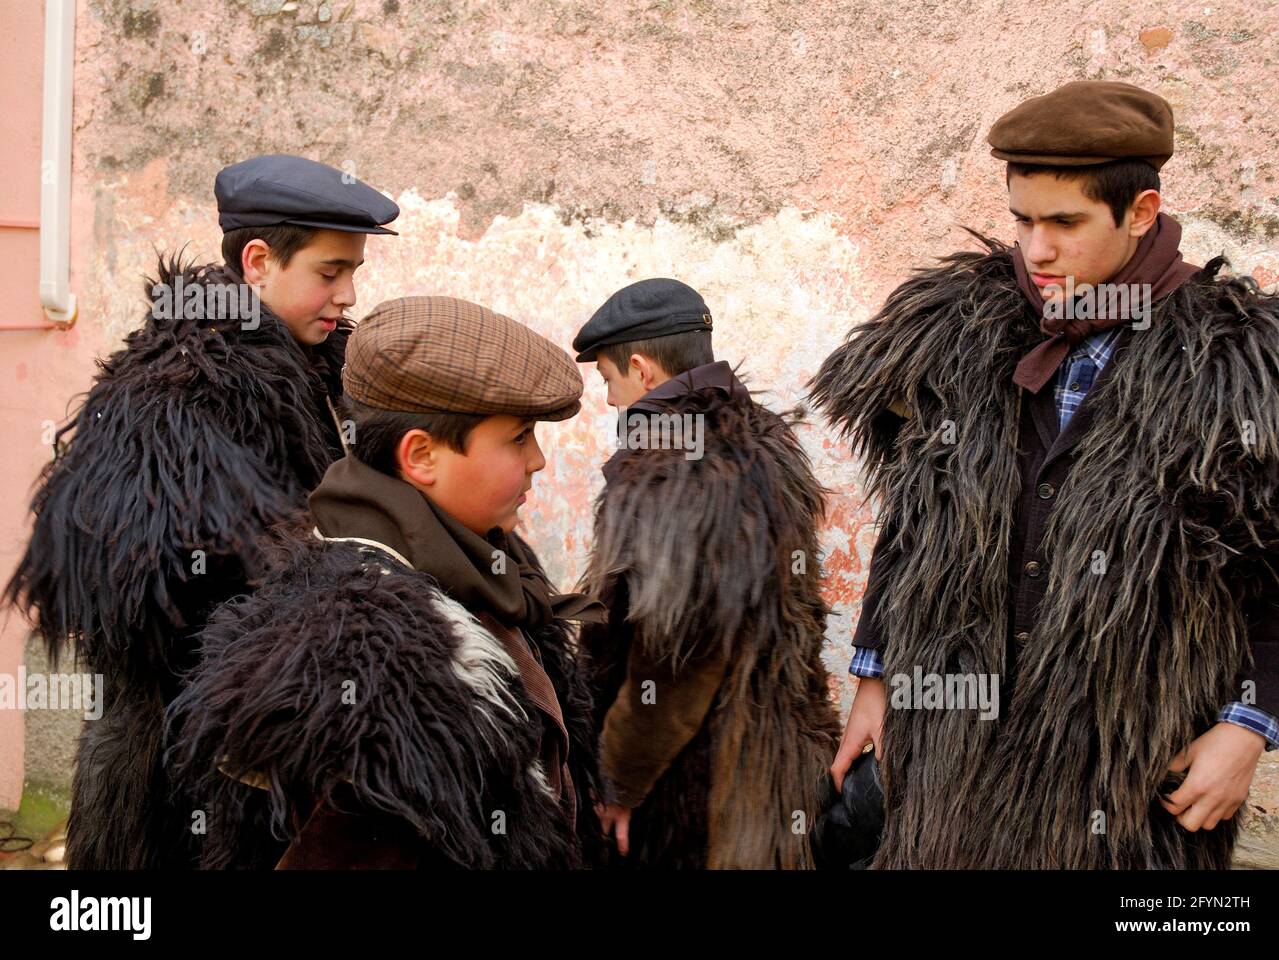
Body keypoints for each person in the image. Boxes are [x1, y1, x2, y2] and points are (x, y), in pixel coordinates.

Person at [809, 81, 1279, 868]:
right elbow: (912, 526)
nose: (1035, 250)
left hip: (1133, 783)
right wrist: (873, 675)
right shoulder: (955, 334)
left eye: (1064, 223)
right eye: (1022, 220)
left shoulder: (1243, 364)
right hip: (953, 767)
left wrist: (1250, 726)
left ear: (1140, 212)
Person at [4, 154, 398, 869]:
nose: (346, 294)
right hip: (172, 764)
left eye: (353, 274)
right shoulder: (171, 389)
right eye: (330, 272)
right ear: (257, 261)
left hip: (272, 754)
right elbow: (111, 578)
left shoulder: (328, 369)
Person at [167, 295, 606, 869]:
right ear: (421, 456)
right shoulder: (361, 668)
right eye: (519, 438)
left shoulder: (469, 565)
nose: (539, 461)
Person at [573, 278, 840, 868]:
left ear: (641, 369)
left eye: (609, 383)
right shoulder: (759, 439)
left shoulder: (676, 469)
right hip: (779, 745)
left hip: (705, 779)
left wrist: (618, 779)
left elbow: (675, 662)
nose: (613, 403)